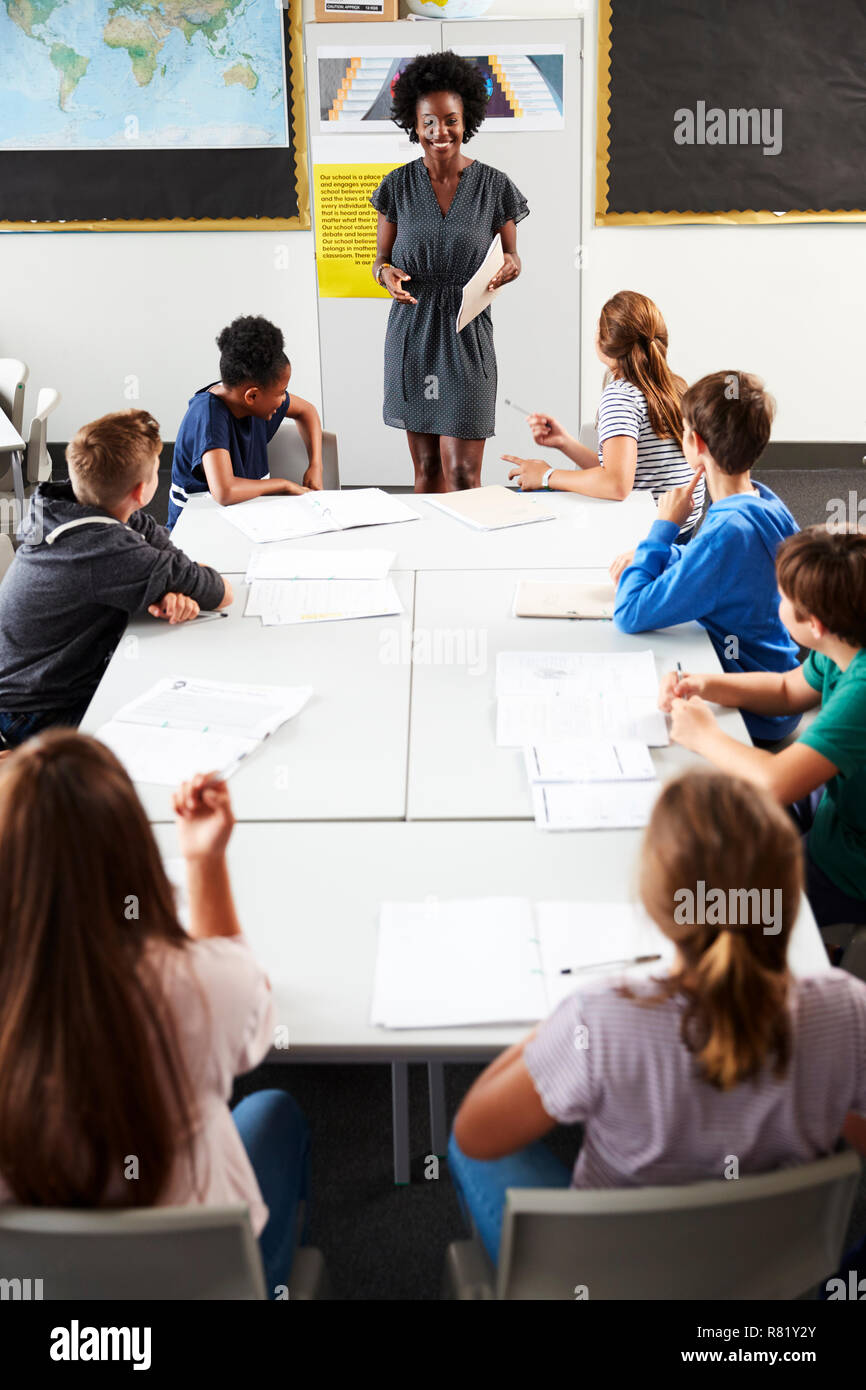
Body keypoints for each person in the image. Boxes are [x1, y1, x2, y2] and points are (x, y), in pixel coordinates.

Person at [448, 770, 866, 1266]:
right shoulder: (848, 1008)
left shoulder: (599, 1019)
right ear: (788, 897)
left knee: (460, 1144)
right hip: (766, 1272)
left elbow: (475, 1132)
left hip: (606, 1275)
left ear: (655, 900)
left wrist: (562, 1023)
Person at [0, 733, 310, 1298]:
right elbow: (251, 1023)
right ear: (132, 848)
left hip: (59, 1313)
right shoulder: (197, 984)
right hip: (208, 1282)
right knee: (274, 1112)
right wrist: (204, 861)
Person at [660, 527, 866, 929]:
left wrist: (704, 736)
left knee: (704, 912)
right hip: (835, 805)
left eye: (785, 598)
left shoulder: (861, 692)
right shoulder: (845, 640)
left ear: (817, 625)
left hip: (850, 867)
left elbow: (776, 782)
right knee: (726, 823)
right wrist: (705, 684)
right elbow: (788, 688)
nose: (778, 602)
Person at [0, 409, 231, 750]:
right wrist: (168, 581)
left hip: (36, 685)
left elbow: (167, 559)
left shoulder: (64, 506)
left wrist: (165, 584)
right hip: (34, 714)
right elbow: (218, 591)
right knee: (181, 727)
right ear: (142, 490)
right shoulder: (100, 547)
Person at [611, 371, 800, 745]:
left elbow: (629, 613)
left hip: (754, 714)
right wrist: (667, 555)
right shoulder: (765, 503)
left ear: (695, 443)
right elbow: (731, 567)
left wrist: (662, 531)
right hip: (779, 688)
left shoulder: (725, 536)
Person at [370, 50, 529, 492]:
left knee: (463, 473)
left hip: (467, 333)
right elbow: (379, 262)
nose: (441, 132)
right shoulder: (396, 186)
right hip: (413, 330)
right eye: (430, 122)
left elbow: (513, 255)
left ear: (467, 120)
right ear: (414, 125)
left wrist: (511, 267)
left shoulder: (495, 186)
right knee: (427, 471)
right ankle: (432, 557)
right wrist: (386, 276)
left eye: (451, 120)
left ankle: (469, 557)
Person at [505, 290, 704, 540]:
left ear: (603, 342)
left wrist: (547, 476)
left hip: (647, 534)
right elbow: (624, 469)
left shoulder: (621, 395)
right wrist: (565, 443)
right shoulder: (675, 386)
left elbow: (617, 485)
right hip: (683, 531)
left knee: (529, 503)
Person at [168, 315, 323, 529]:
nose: (284, 399)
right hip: (197, 531)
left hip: (245, 520)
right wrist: (284, 484)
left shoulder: (254, 403)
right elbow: (225, 491)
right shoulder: (208, 415)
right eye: (281, 392)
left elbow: (308, 411)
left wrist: (315, 465)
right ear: (251, 396)